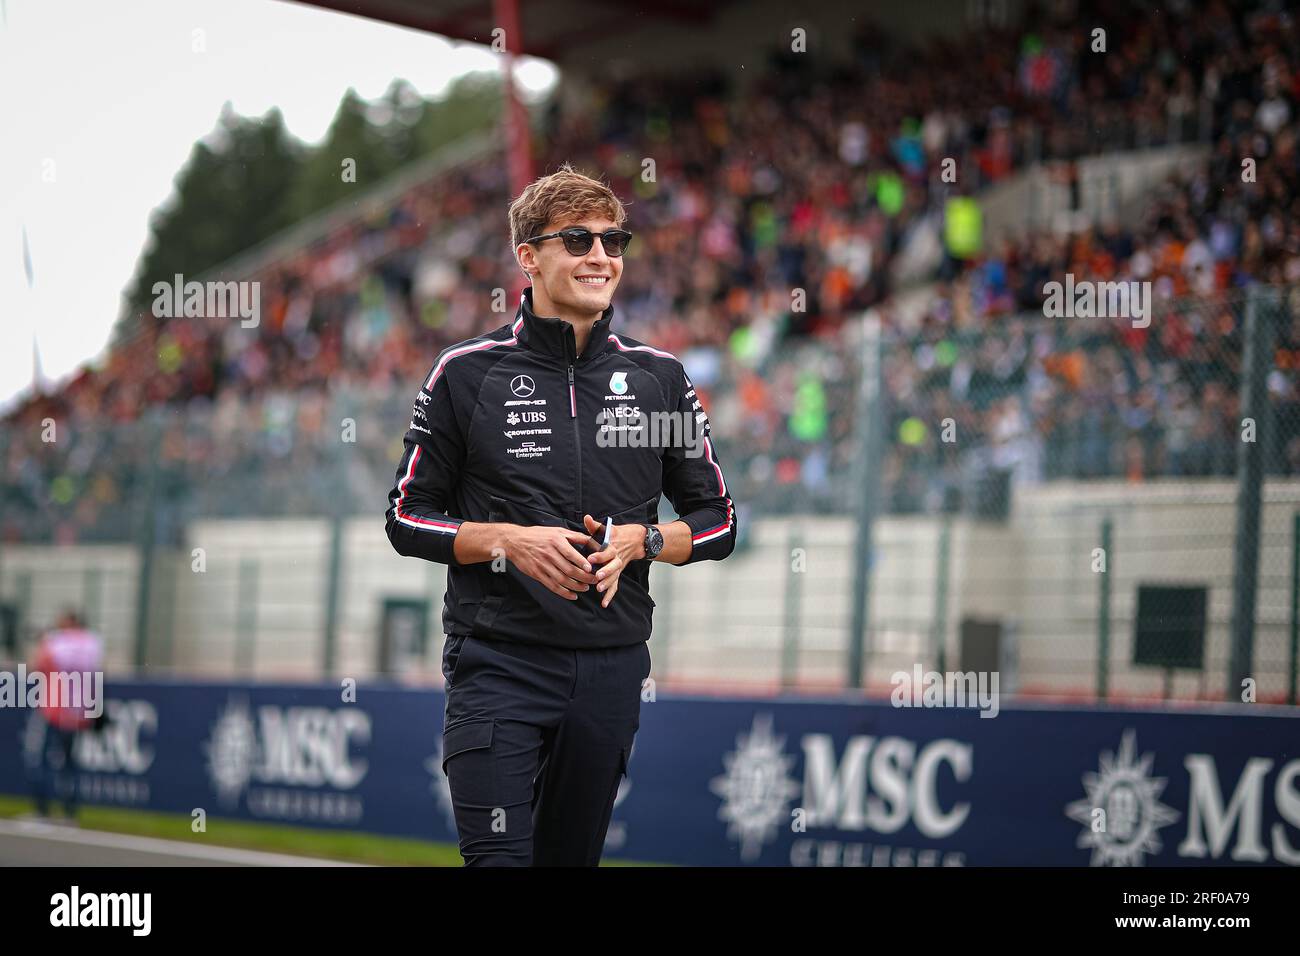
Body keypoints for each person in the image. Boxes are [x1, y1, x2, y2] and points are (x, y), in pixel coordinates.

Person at [385, 164, 738, 865]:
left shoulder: (658, 379)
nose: (601, 257)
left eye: (615, 241)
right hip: (498, 666)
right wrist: (507, 542)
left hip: (610, 670)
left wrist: (645, 541)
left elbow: (719, 520)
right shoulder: (465, 373)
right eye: (578, 240)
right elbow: (406, 517)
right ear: (529, 257)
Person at [25, 609, 104, 823]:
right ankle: (70, 812)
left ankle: (42, 809)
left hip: (55, 709)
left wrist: (44, 642)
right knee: (70, 762)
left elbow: (39, 667)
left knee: (41, 759)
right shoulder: (92, 642)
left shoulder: (56, 642)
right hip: (79, 710)